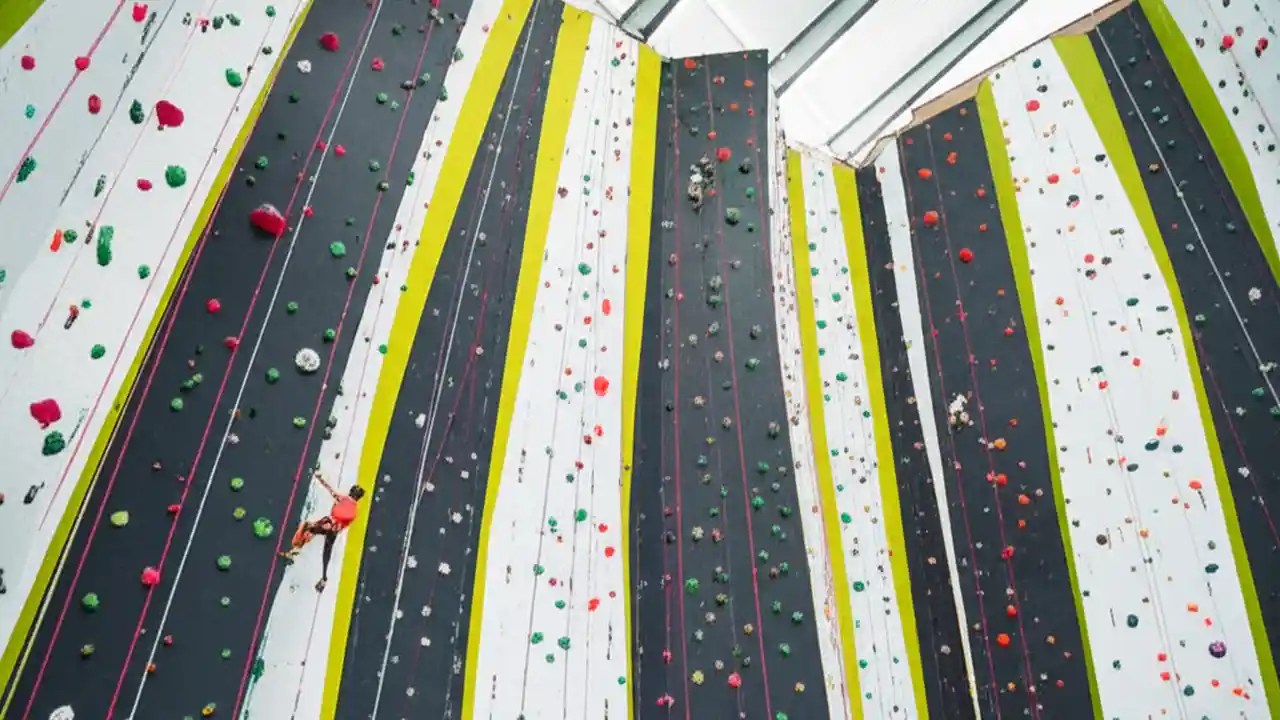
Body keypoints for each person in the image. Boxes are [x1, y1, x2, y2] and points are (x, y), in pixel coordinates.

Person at [281, 471, 366, 592]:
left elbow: (330, 490)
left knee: (309, 527)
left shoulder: (344, 500)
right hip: (333, 530)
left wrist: (320, 479)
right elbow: (342, 523)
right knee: (326, 553)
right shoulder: (353, 511)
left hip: (328, 525)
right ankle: (324, 578)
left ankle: (295, 548)